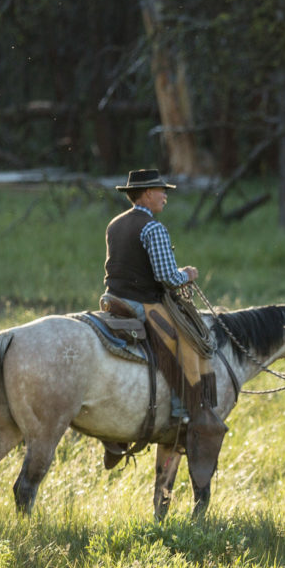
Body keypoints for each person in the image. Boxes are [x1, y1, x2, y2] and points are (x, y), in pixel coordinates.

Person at [100, 169, 219, 434]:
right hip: (141, 301)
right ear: (147, 194)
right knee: (185, 339)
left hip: (112, 298)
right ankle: (181, 409)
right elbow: (166, 276)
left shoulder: (115, 223)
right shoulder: (153, 228)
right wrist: (187, 275)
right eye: (161, 191)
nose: (165, 196)